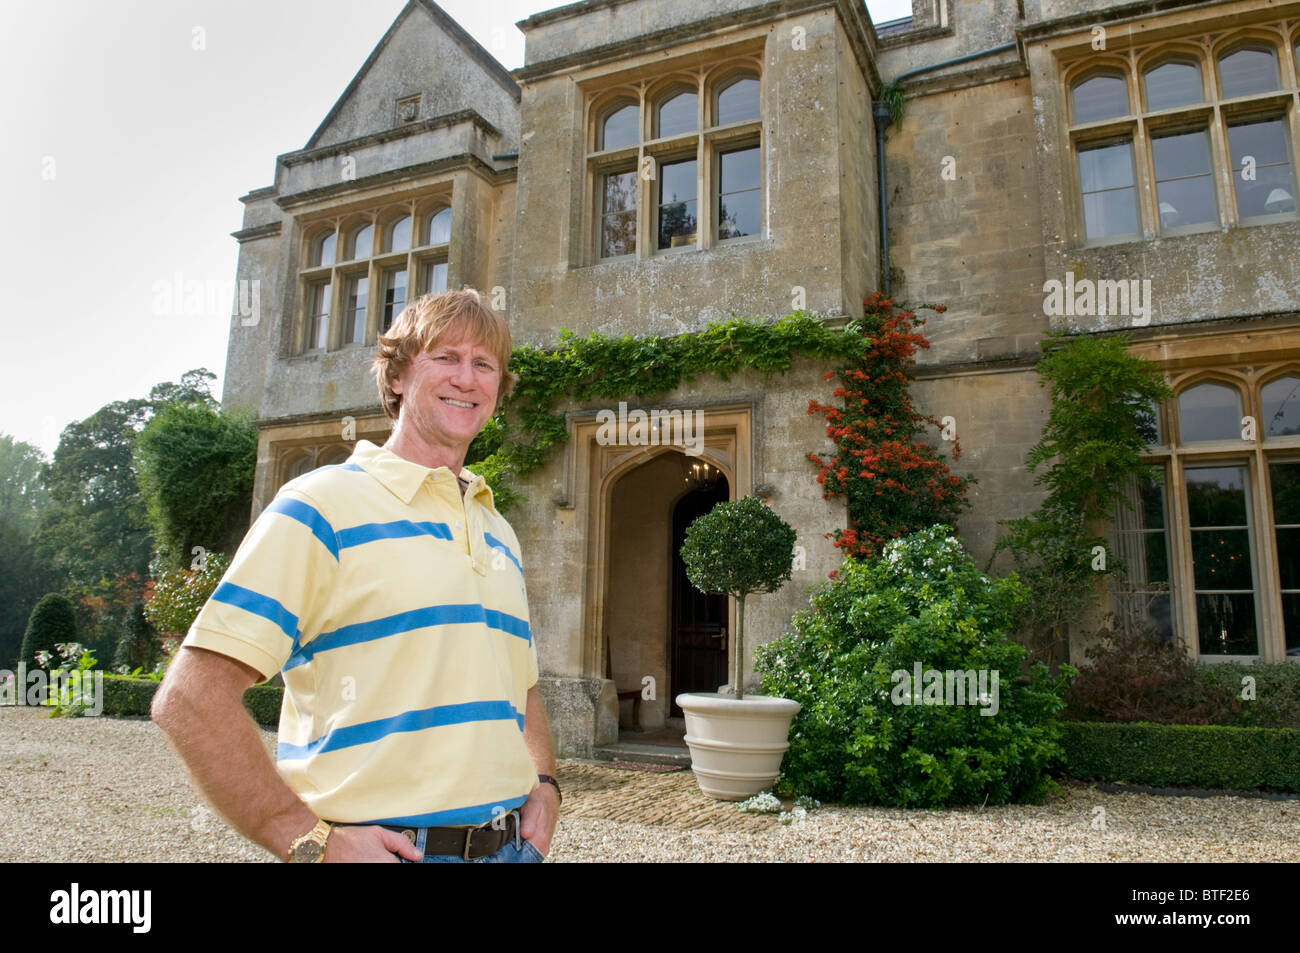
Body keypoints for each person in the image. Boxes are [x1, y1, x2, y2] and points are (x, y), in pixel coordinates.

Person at [152, 289, 560, 863]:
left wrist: (544, 785)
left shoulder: (497, 528)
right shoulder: (319, 508)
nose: (466, 379)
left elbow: (522, 686)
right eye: (444, 357)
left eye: (484, 364)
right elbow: (191, 699)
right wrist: (308, 840)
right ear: (396, 376)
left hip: (510, 851)